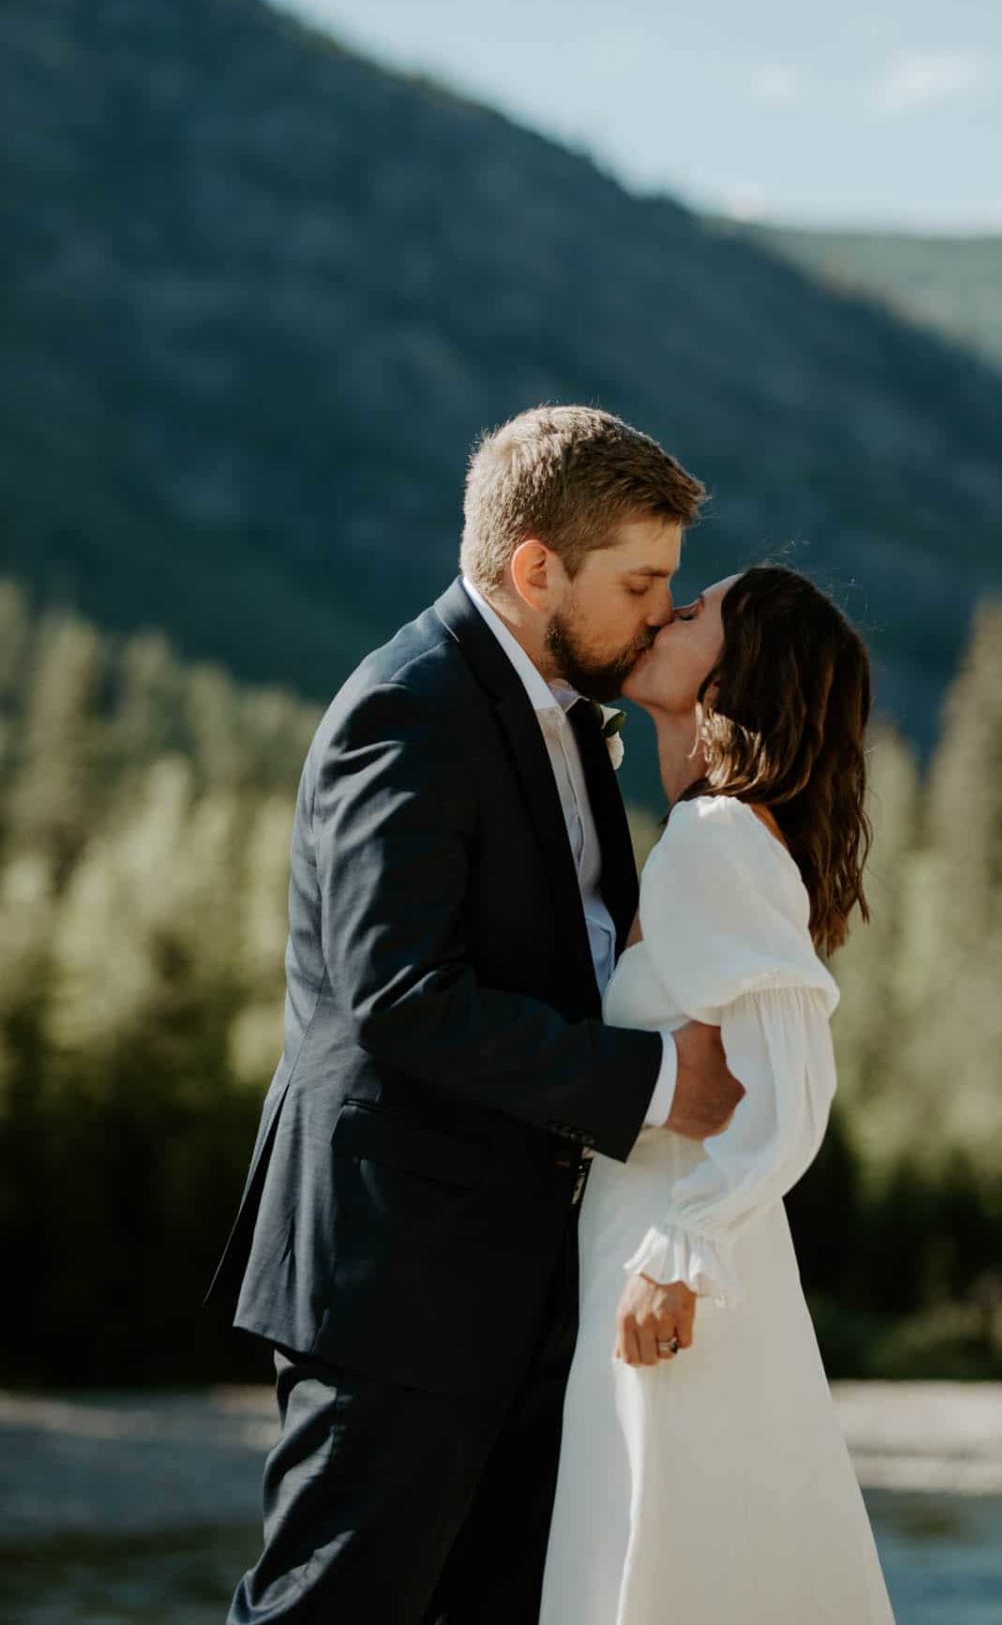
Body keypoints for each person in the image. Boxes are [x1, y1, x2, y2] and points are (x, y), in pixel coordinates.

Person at [203, 404, 746, 1623]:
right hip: (396, 1269)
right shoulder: (408, 708)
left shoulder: (559, 712)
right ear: (533, 568)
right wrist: (659, 1083)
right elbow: (399, 995)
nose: (662, 608)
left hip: (519, 1273)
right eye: (640, 580)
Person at [538, 563, 898, 1624]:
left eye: (694, 611)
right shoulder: (710, 837)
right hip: (662, 1245)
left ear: (740, 672)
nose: (666, 609)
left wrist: (684, 1252)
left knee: (658, 1555)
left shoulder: (717, 840)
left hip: (670, 1264)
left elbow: (793, 1090)